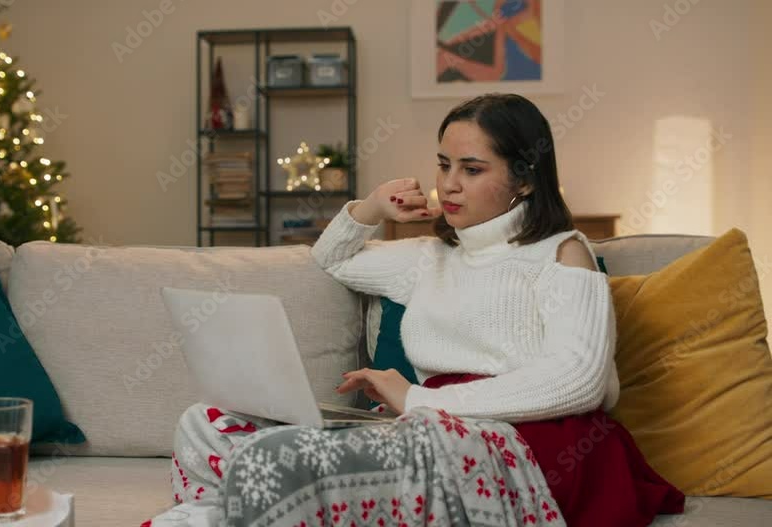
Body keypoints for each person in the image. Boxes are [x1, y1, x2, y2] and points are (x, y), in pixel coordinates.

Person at [145, 94, 685, 527]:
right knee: (205, 423)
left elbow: (580, 380)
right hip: (428, 425)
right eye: (444, 164)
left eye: (471, 169)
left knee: (287, 459)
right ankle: (231, 510)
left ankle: (231, 510)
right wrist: (373, 206)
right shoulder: (429, 258)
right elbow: (330, 259)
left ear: (524, 178)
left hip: (528, 437)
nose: (448, 183)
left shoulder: (564, 251)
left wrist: (418, 399)